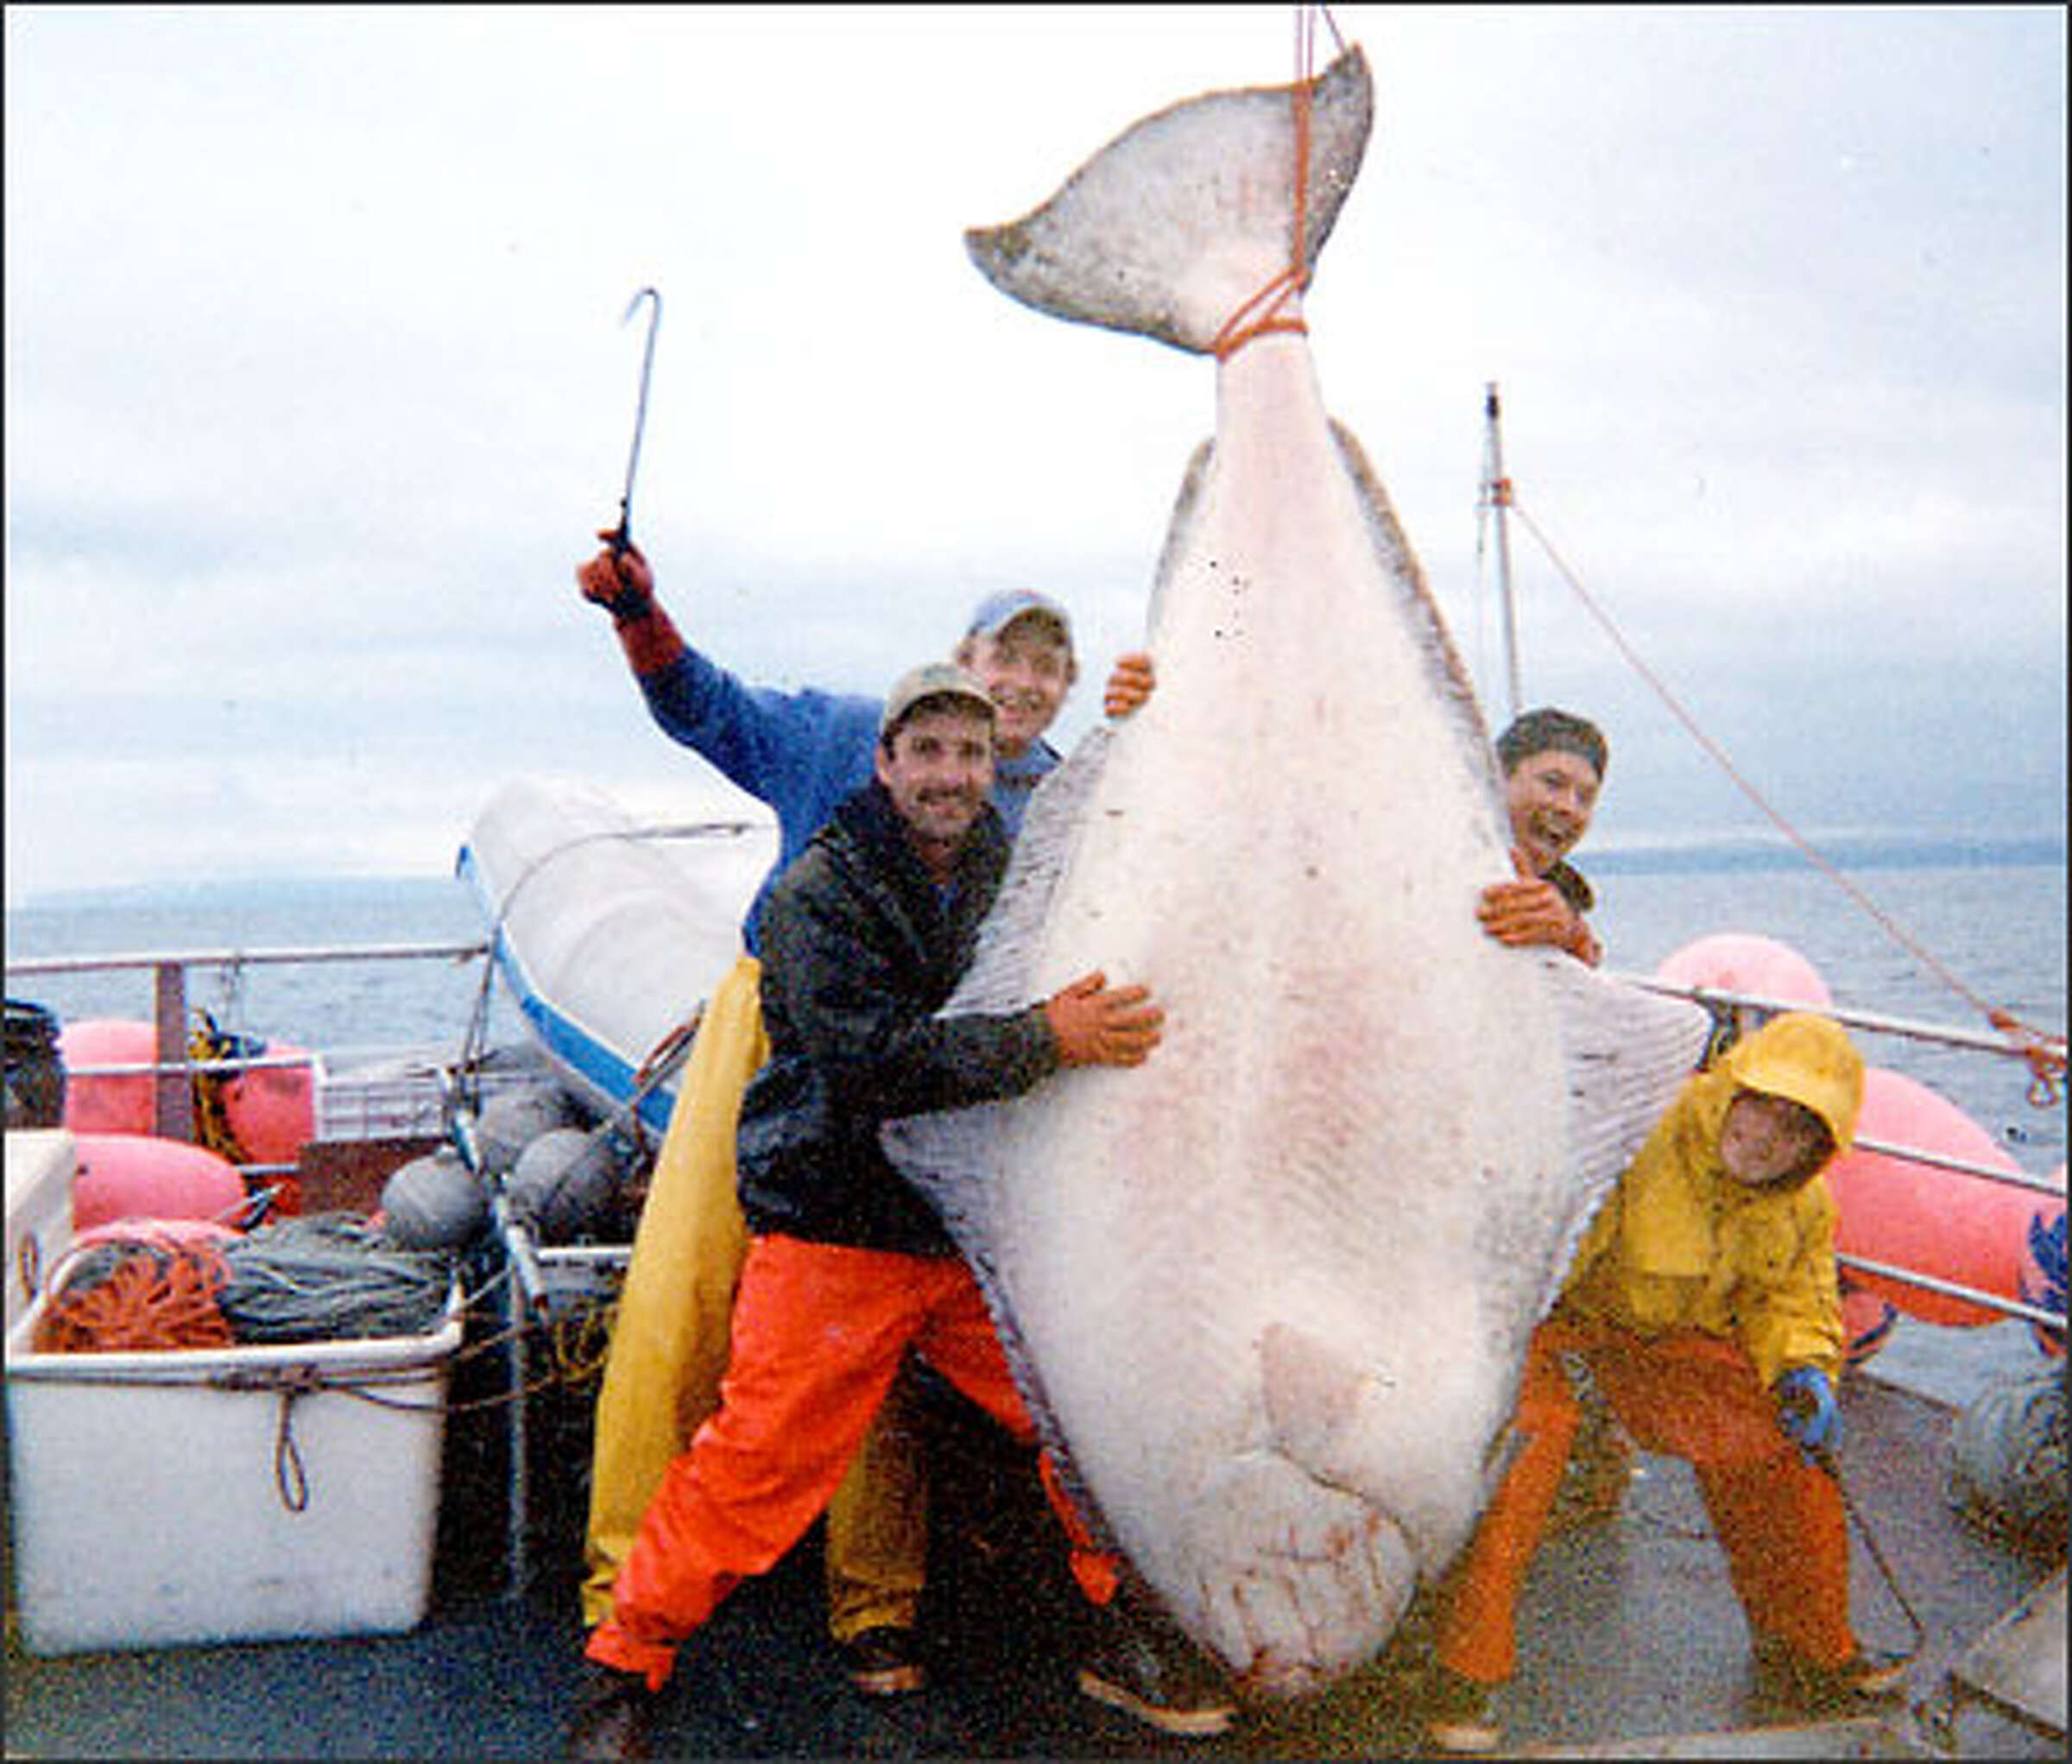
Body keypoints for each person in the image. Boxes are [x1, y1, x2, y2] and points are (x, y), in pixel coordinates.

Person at [566, 665, 1235, 1758]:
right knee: (757, 1463)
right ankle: (625, 1663)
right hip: (841, 1231)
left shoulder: (1010, 873)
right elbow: (872, 1063)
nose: (950, 775)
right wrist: (1047, 1040)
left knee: (1077, 1428)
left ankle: (1128, 1624)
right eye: (926, 752)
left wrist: (1140, 725)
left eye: (970, 755)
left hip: (966, 1234)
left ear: (994, 769)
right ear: (885, 763)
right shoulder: (818, 893)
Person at [1421, 1011, 1906, 1755]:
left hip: (1659, 1340)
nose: (1766, 1136)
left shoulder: (1804, 1204)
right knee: (1528, 1437)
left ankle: (1809, 1645)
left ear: (1820, 1147)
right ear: (1729, 1091)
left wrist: (1805, 1369)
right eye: (1761, 1106)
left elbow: (1796, 1301)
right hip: (1554, 1317)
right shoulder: (1640, 1136)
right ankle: (1461, 1669)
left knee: (1784, 1437)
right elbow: (1544, 1252)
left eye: (1797, 1127)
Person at [1476, 706, 1608, 966]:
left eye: (1585, 798)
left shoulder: (1567, 912)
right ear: (1495, 780)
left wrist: (1571, 940)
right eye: (1553, 783)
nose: (1568, 807)